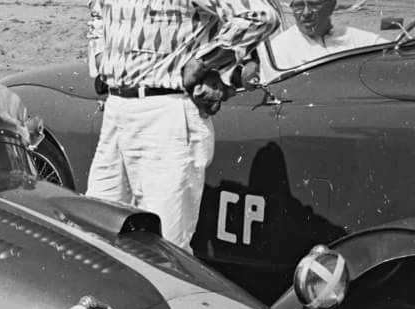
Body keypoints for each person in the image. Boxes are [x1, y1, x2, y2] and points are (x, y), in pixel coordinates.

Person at [85, 0, 280, 250]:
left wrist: (203, 63)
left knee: (164, 246)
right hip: (116, 109)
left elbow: (260, 15)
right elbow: (98, 12)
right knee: (98, 235)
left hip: (166, 111)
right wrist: (101, 59)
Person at [269, 0, 388, 70]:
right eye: (299, 6)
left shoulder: (358, 39)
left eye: (314, 4)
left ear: (331, 7)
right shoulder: (279, 49)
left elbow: (396, 53)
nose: (306, 13)